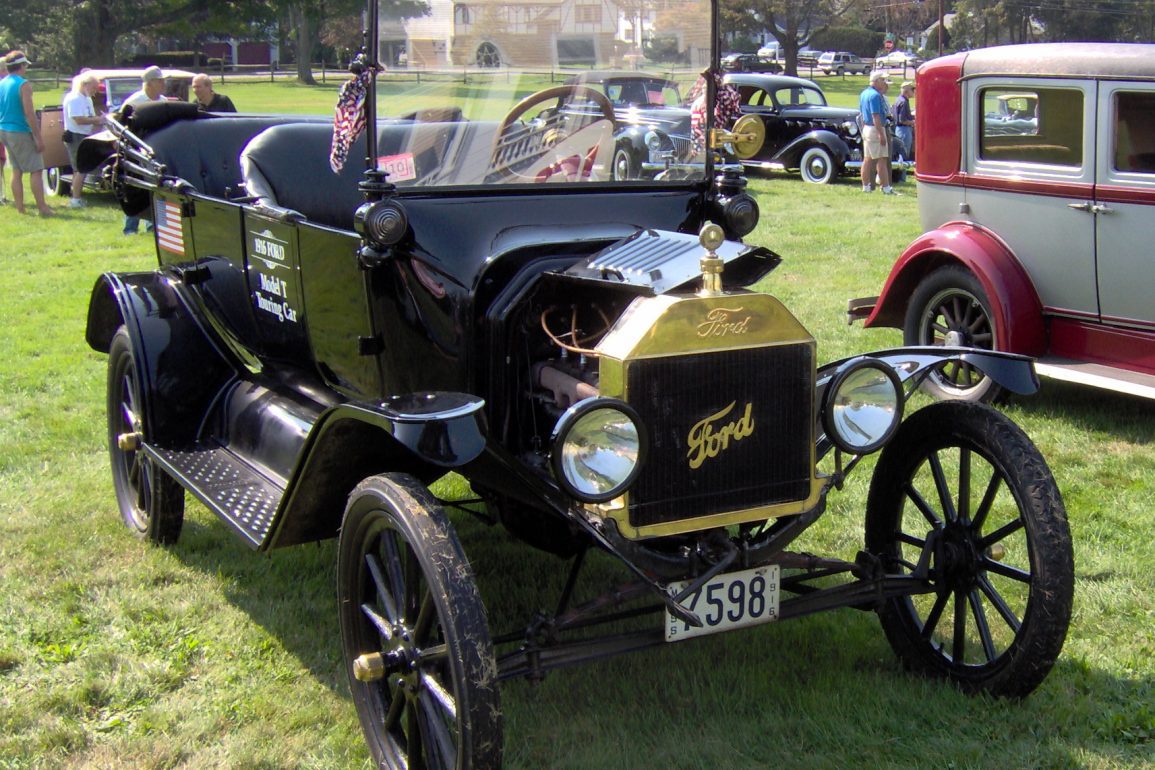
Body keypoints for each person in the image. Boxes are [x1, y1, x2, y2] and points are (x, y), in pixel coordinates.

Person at [0, 51, 54, 216]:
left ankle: (20, 208)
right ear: (21, 66)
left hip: (4, 129)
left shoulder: (2, 83)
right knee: (36, 170)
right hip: (20, 130)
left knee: (16, 170)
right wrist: (38, 137)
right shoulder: (23, 84)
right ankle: (42, 208)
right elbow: (29, 113)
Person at [120, 66, 166, 233]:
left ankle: (153, 226)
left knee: (155, 186)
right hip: (135, 150)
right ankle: (130, 228)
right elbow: (122, 127)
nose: (163, 84)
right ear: (150, 83)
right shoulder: (134, 102)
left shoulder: (163, 100)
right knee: (135, 188)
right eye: (160, 81)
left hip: (155, 151)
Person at [61, 71, 104, 208]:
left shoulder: (86, 98)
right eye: (93, 87)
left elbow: (89, 116)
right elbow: (78, 119)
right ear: (84, 84)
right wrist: (98, 120)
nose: (95, 91)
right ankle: (75, 199)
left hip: (84, 135)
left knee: (80, 168)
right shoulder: (74, 98)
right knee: (80, 168)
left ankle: (77, 197)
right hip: (75, 136)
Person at [859, 71, 897, 195]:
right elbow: (876, 116)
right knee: (882, 159)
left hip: (866, 128)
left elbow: (862, 114)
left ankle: (866, 186)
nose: (884, 82)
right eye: (882, 80)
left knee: (868, 159)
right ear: (876, 81)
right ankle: (886, 187)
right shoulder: (875, 95)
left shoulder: (864, 93)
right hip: (876, 128)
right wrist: (881, 134)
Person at [892, 80, 915, 163]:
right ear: (907, 91)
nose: (914, 92)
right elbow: (902, 120)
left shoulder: (899, 100)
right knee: (903, 154)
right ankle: (901, 174)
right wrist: (913, 122)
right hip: (904, 130)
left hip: (899, 129)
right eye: (912, 89)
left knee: (900, 153)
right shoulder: (903, 102)